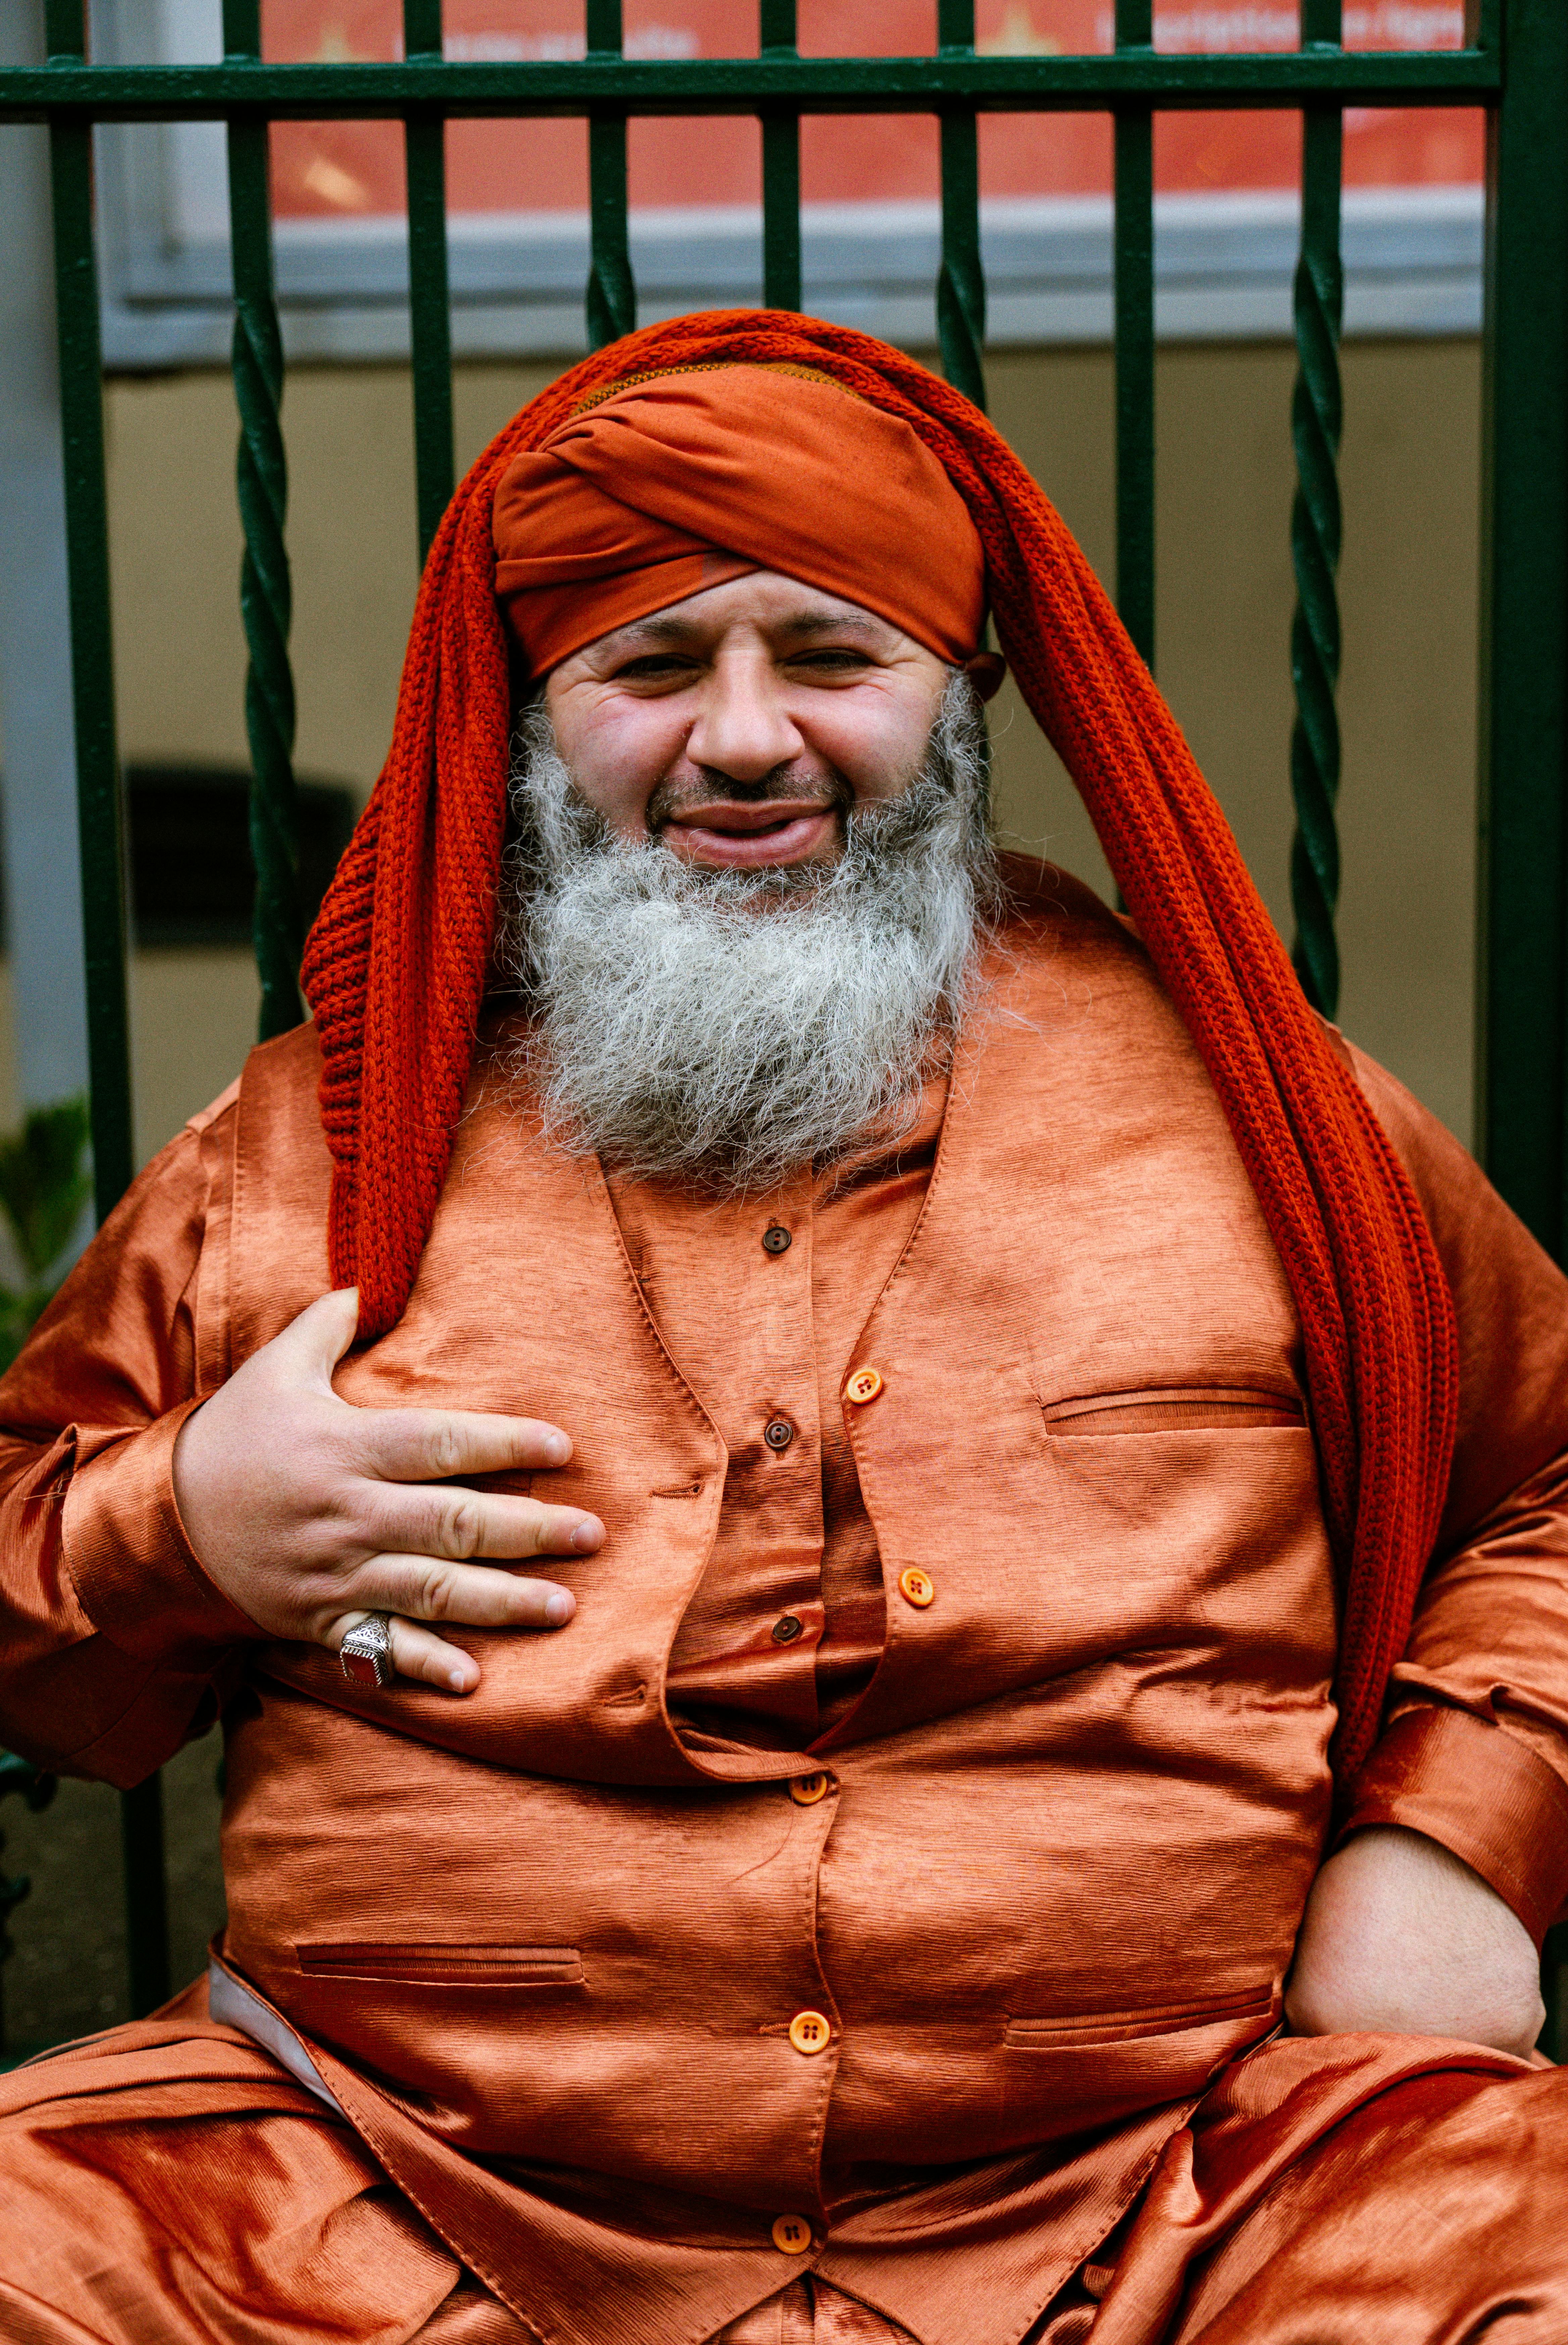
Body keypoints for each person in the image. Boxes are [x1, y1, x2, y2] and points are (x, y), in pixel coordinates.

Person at [0, 311, 1565, 2345]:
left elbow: (1544, 1484)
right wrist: (186, 1520)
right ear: (536, 710)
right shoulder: (307, 1139)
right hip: (378, 2202)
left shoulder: (1258, 1107)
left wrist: (1450, 1844)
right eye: (652, 666)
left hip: (1189, 2207)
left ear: (961, 685)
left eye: (831, 657)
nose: (745, 739)